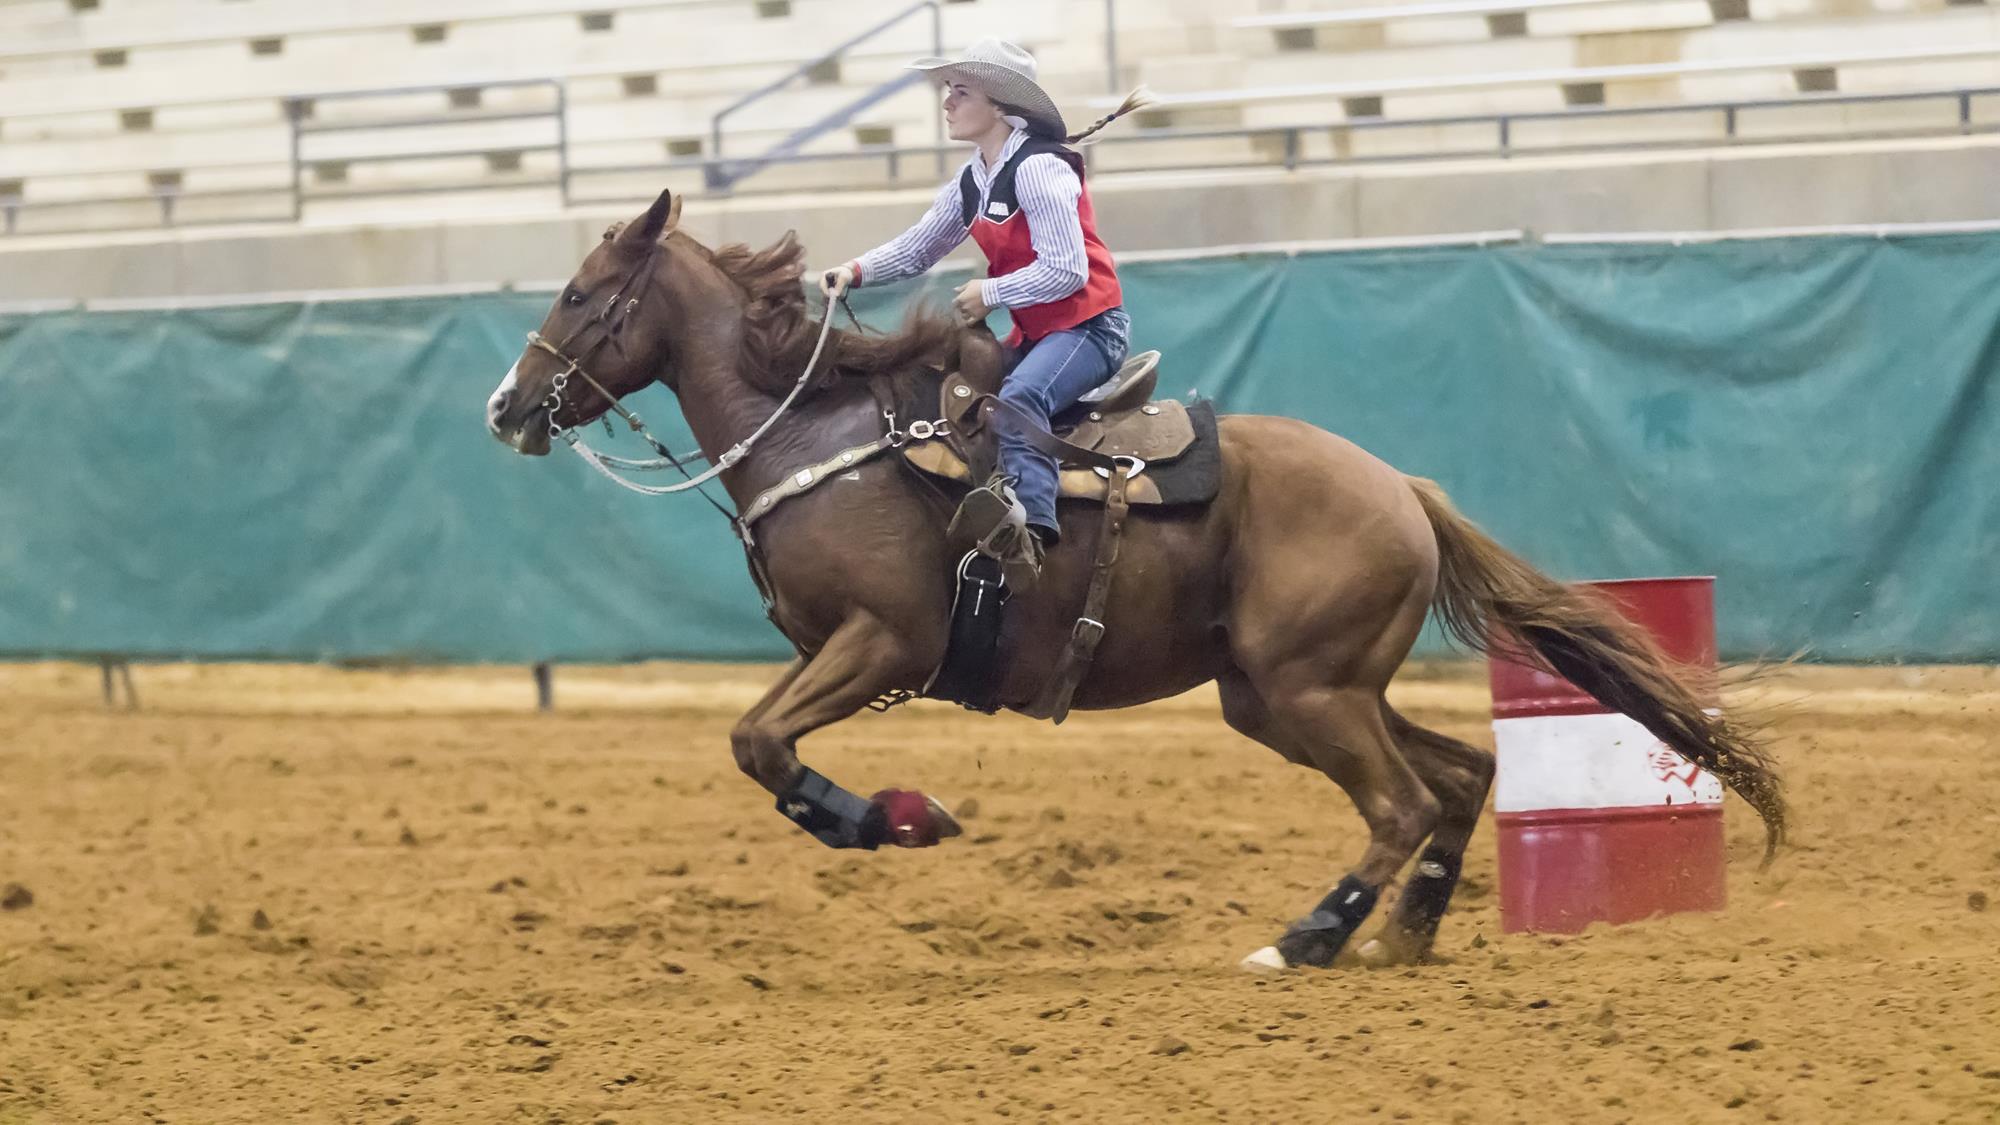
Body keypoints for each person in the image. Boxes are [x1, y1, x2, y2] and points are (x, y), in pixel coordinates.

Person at [818, 39, 1149, 574]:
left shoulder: (1040, 169)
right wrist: (856, 270)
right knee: (955, 392)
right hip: (1041, 336)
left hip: (1091, 328)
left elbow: (1068, 271)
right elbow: (920, 246)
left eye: (961, 91)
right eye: (949, 89)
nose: (947, 102)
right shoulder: (974, 177)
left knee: (1018, 401)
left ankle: (1033, 532)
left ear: (999, 105)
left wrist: (988, 293)